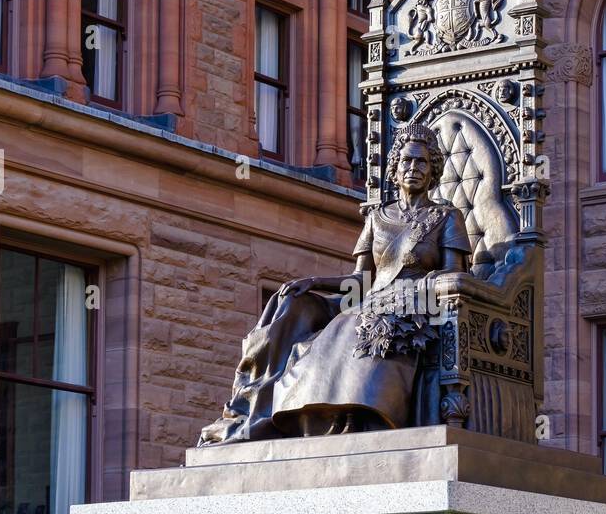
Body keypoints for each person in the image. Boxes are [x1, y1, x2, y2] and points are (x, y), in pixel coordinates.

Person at [198, 122, 471, 443]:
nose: (413, 168)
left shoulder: (445, 217)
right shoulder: (378, 218)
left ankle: (365, 422)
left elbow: (455, 274)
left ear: (433, 170)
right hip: (369, 301)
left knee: (365, 329)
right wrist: (313, 282)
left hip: (415, 304)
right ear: (395, 170)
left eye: (422, 162)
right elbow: (361, 278)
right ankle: (314, 423)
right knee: (323, 329)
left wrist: (416, 292)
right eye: (406, 161)